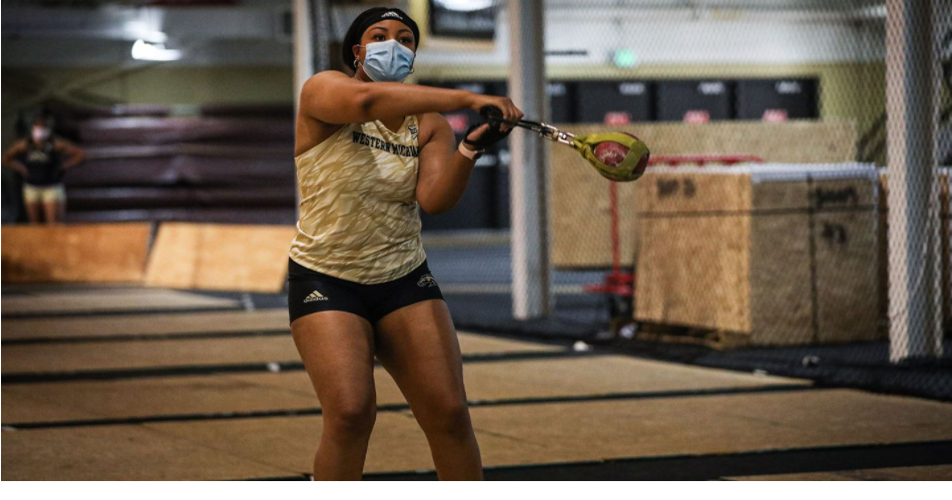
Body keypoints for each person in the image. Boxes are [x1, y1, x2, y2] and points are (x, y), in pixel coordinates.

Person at [287, 6, 523, 481]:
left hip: (403, 277)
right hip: (328, 277)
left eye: (405, 38)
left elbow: (435, 200)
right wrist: (468, 96)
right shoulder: (324, 90)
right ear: (358, 51)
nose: (393, 45)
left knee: (450, 414)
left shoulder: (429, 123)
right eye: (380, 35)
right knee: (351, 413)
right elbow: (370, 102)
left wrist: (469, 148)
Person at [1, 115, 85, 224]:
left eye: (42, 129)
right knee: (34, 223)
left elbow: (80, 154)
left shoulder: (56, 144)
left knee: (53, 223)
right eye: (37, 129)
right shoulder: (24, 145)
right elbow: (5, 157)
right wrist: (20, 168)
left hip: (51, 186)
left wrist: (64, 166)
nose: (40, 132)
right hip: (32, 186)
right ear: (32, 130)